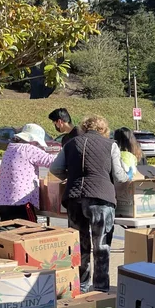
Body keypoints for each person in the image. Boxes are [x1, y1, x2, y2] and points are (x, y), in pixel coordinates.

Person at [50, 116, 129, 293]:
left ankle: (82, 287)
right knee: (101, 245)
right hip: (101, 199)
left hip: (74, 198)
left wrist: (70, 178)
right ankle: (100, 289)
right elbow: (119, 176)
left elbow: (55, 169)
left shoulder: (70, 144)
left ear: (84, 128)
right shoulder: (110, 145)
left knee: (80, 245)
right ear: (104, 130)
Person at [0, 123, 55, 222]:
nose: (37, 146)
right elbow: (52, 161)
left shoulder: (10, 149)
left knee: (8, 235)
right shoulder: (28, 149)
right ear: (32, 140)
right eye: (37, 143)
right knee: (28, 232)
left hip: (3, 201)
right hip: (21, 200)